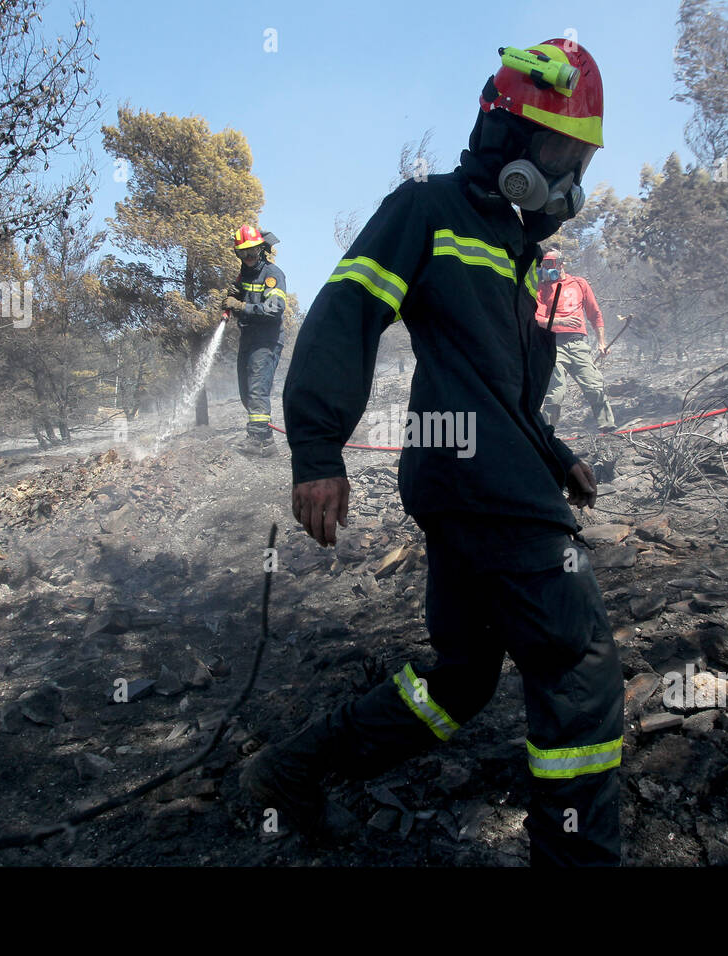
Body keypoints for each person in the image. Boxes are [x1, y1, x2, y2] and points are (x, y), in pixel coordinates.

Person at [243, 39, 623, 866]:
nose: (566, 172)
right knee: (577, 662)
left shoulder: (518, 256)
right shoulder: (429, 209)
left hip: (475, 480)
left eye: (577, 156)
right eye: (557, 149)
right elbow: (346, 311)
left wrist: (556, 453)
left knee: (463, 678)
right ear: (506, 138)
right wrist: (316, 448)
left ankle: (290, 770)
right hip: (485, 487)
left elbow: (497, 384)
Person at [223, 225, 287, 456]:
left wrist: (241, 306)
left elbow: (275, 309)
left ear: (261, 249)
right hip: (248, 337)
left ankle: (256, 438)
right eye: (243, 253)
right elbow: (241, 298)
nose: (249, 258)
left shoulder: (272, 275)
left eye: (252, 252)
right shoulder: (244, 276)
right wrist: (234, 295)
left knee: (258, 389)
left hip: (267, 339)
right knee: (245, 391)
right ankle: (267, 443)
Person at [536, 249, 616, 431]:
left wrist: (602, 342)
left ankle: (608, 428)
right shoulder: (542, 288)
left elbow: (595, 314)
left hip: (579, 344)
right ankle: (545, 435)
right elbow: (537, 319)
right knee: (555, 394)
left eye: (549, 264)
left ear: (561, 264)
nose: (545, 270)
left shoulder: (579, 284)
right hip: (553, 346)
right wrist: (559, 321)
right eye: (543, 265)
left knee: (595, 386)